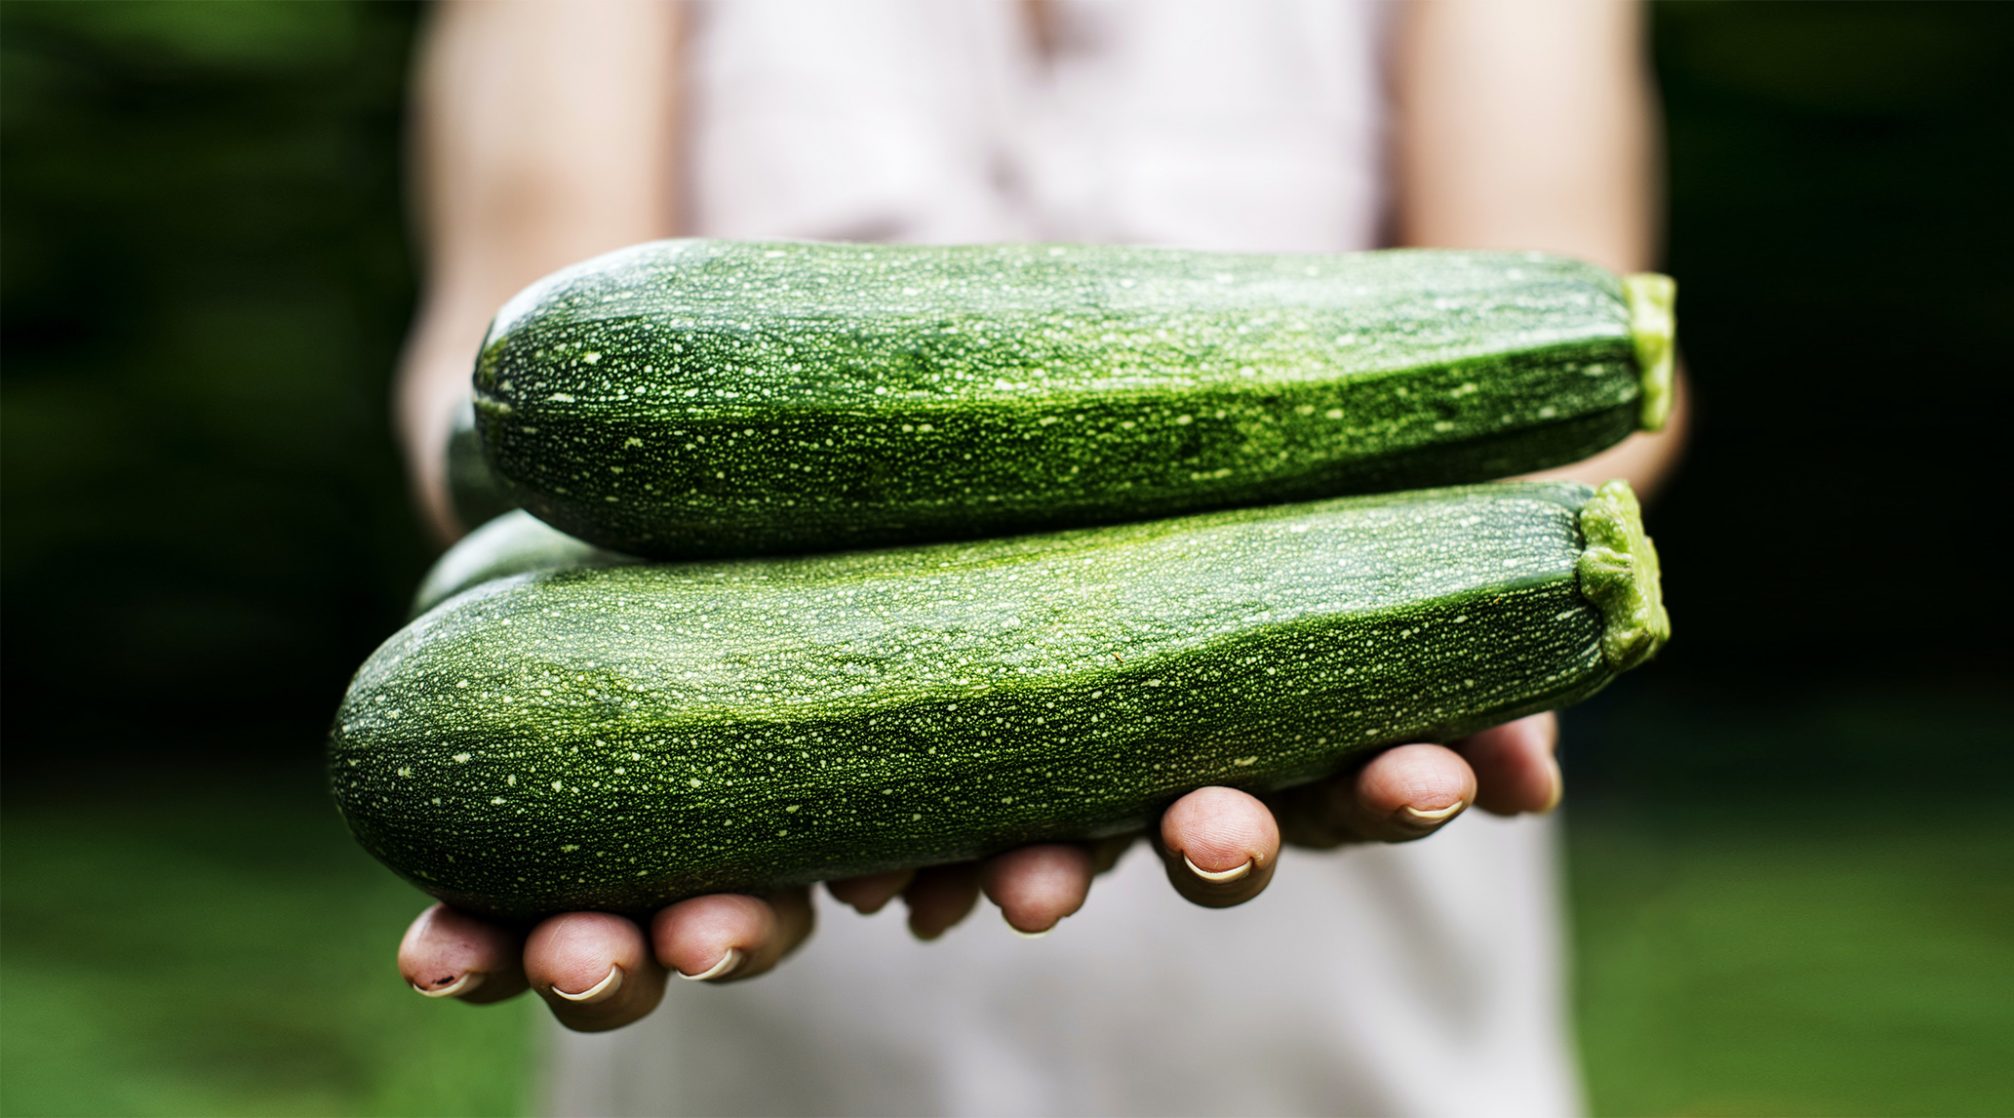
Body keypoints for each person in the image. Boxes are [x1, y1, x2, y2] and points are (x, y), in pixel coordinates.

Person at [392, 2, 1687, 1113]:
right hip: (783, 905)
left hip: (1334, 848)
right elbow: (492, 381)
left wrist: (1506, 579)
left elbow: (1582, 371)